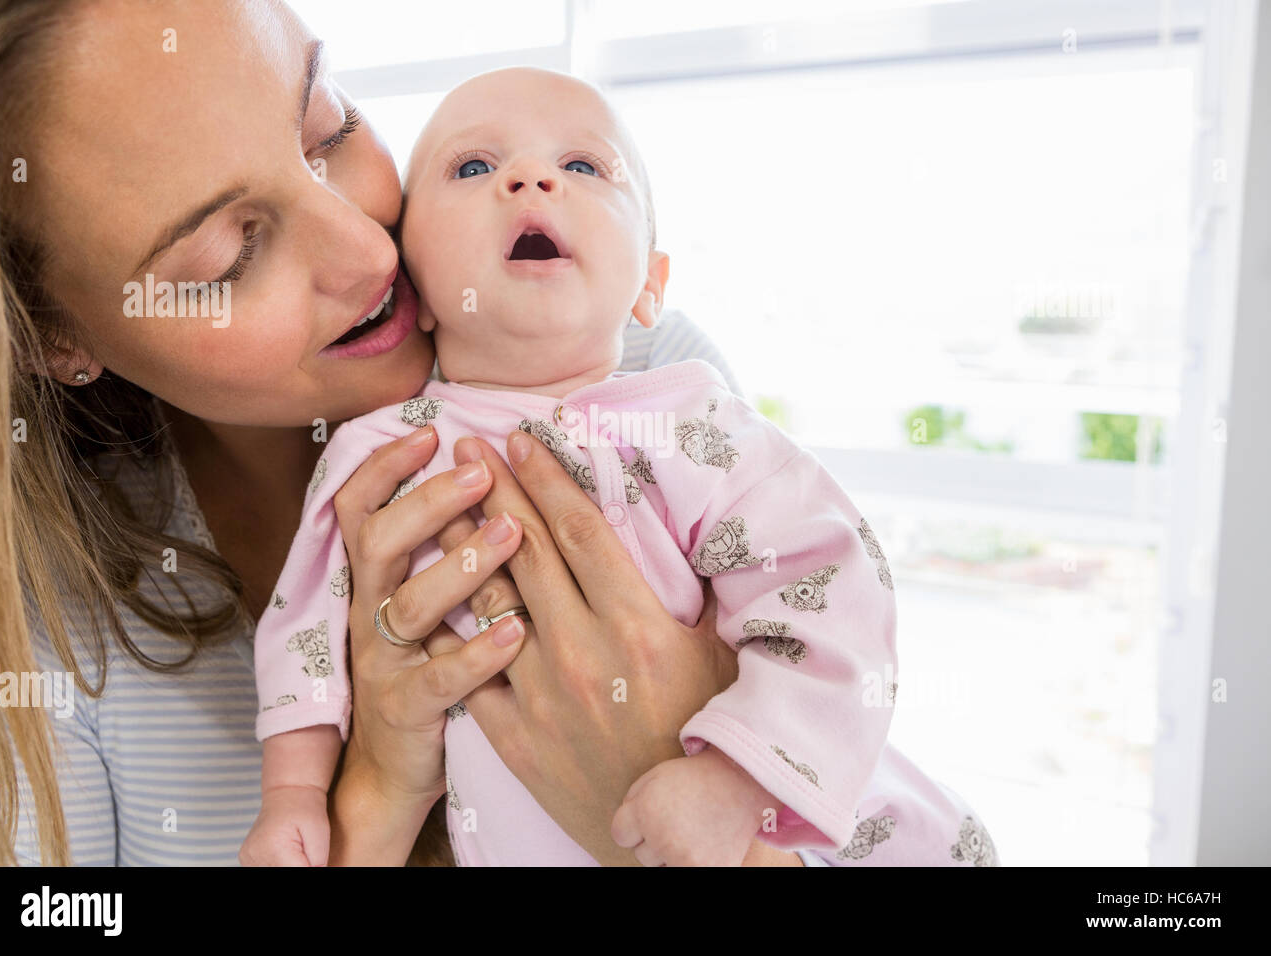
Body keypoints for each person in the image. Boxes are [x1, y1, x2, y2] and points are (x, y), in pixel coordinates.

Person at [0, 0, 798, 866]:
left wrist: (666, 786)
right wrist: (371, 798)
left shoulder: (643, 376)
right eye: (230, 257)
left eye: (329, 128)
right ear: (52, 338)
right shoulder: (38, 633)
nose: (370, 251)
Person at [244, 67, 998, 867]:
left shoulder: (695, 424)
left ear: (649, 284)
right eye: (472, 168)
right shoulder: (377, 455)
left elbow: (831, 591)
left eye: (583, 167)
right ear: (416, 289)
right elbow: (305, 627)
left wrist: (736, 783)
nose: (530, 179)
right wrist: (293, 793)